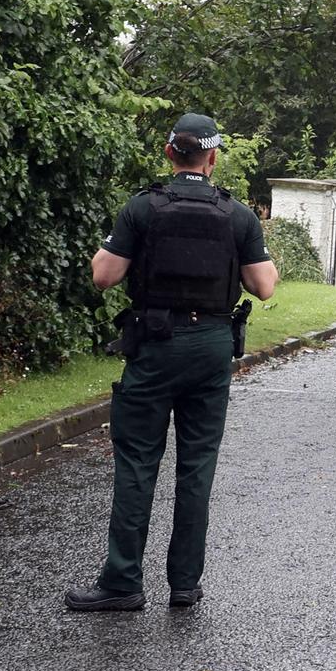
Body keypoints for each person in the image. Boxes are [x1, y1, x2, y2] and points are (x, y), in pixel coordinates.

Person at [65, 114, 278, 612]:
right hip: (210, 347)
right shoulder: (238, 216)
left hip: (156, 344)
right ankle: (184, 584)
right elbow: (263, 286)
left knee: (138, 464)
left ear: (169, 154)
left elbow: (103, 275)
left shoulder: (143, 208)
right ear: (213, 158)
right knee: (196, 468)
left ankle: (122, 583)